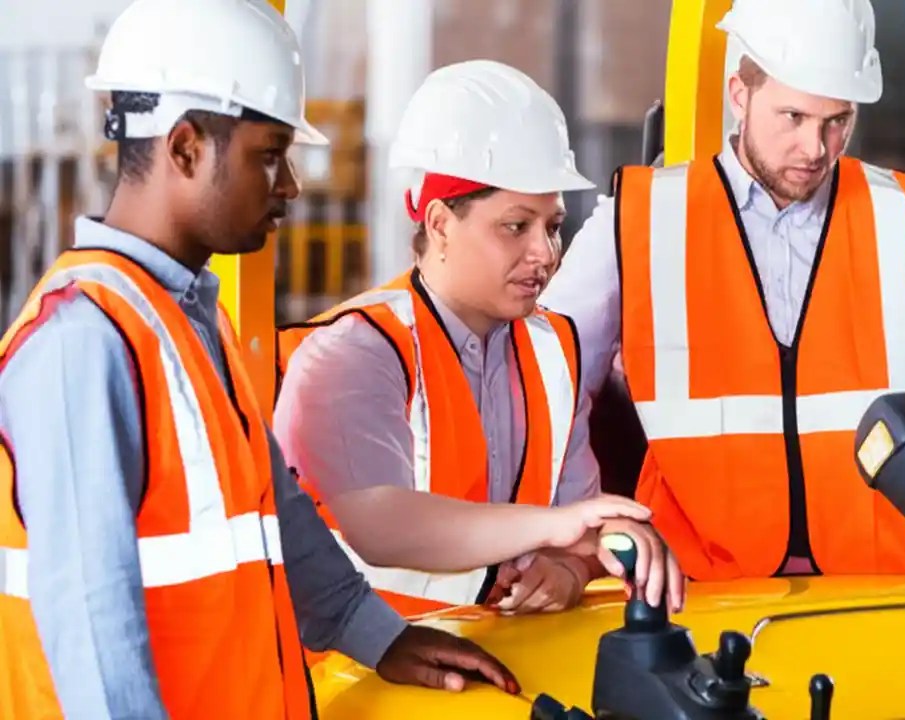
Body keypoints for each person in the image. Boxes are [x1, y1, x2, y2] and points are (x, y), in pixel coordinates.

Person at [0, 1, 625, 716]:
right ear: (184, 149)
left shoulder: (184, 319)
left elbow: (277, 519)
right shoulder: (86, 340)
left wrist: (379, 637)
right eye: (269, 156)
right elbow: (90, 625)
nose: (292, 185)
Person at [273, 59, 684, 622]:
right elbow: (380, 526)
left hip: (499, 675)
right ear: (440, 223)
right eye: (516, 227)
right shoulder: (356, 353)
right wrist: (555, 528)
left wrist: (567, 570)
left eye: (553, 226)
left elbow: (580, 530)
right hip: (356, 685)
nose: (545, 253)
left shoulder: (551, 350)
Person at [539, 0, 905, 582]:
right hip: (692, 587)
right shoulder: (640, 220)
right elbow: (548, 384)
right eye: (793, 117)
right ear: (739, 95)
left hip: (873, 584)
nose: (816, 149)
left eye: (837, 121)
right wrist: (588, 531)